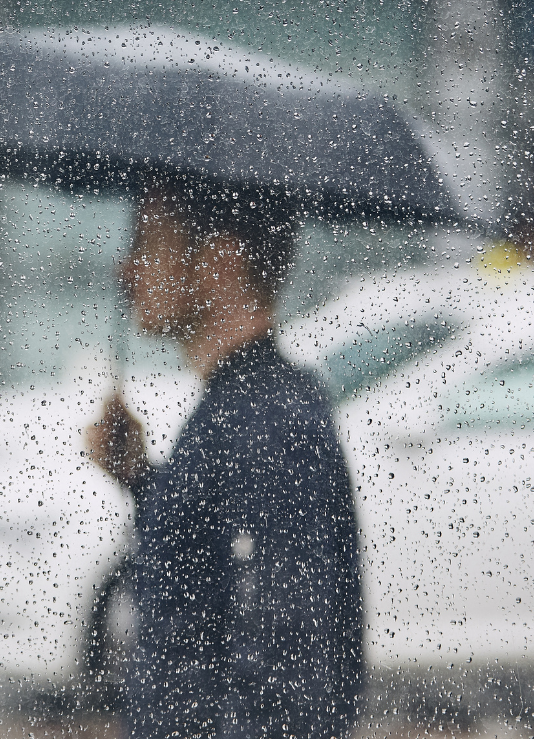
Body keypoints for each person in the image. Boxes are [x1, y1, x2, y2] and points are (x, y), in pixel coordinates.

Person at [87, 177, 365, 739]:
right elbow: (206, 582)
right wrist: (141, 479)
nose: (126, 270)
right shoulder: (242, 407)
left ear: (220, 258)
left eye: (149, 242)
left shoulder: (267, 422)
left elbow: (288, 668)